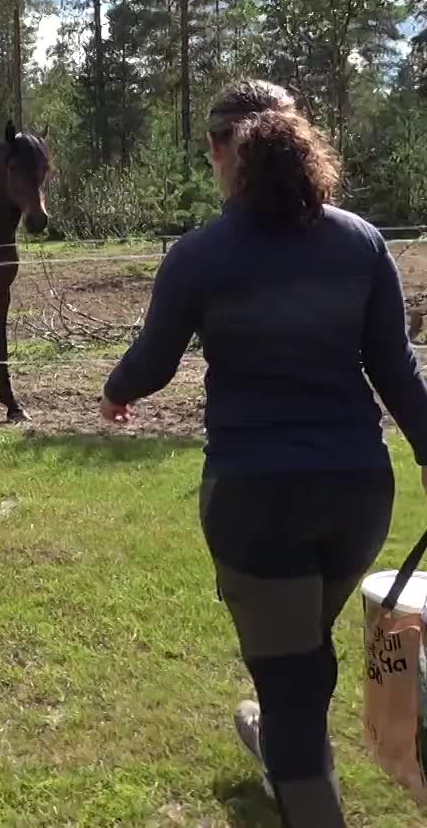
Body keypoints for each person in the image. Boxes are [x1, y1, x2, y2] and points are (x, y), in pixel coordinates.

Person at [98, 79, 427, 827]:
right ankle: (279, 736)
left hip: (258, 501)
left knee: (291, 680)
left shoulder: (200, 254)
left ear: (220, 151)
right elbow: (398, 372)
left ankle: (296, 764)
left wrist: (116, 390)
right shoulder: (360, 241)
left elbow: (152, 361)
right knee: (302, 651)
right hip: (358, 498)